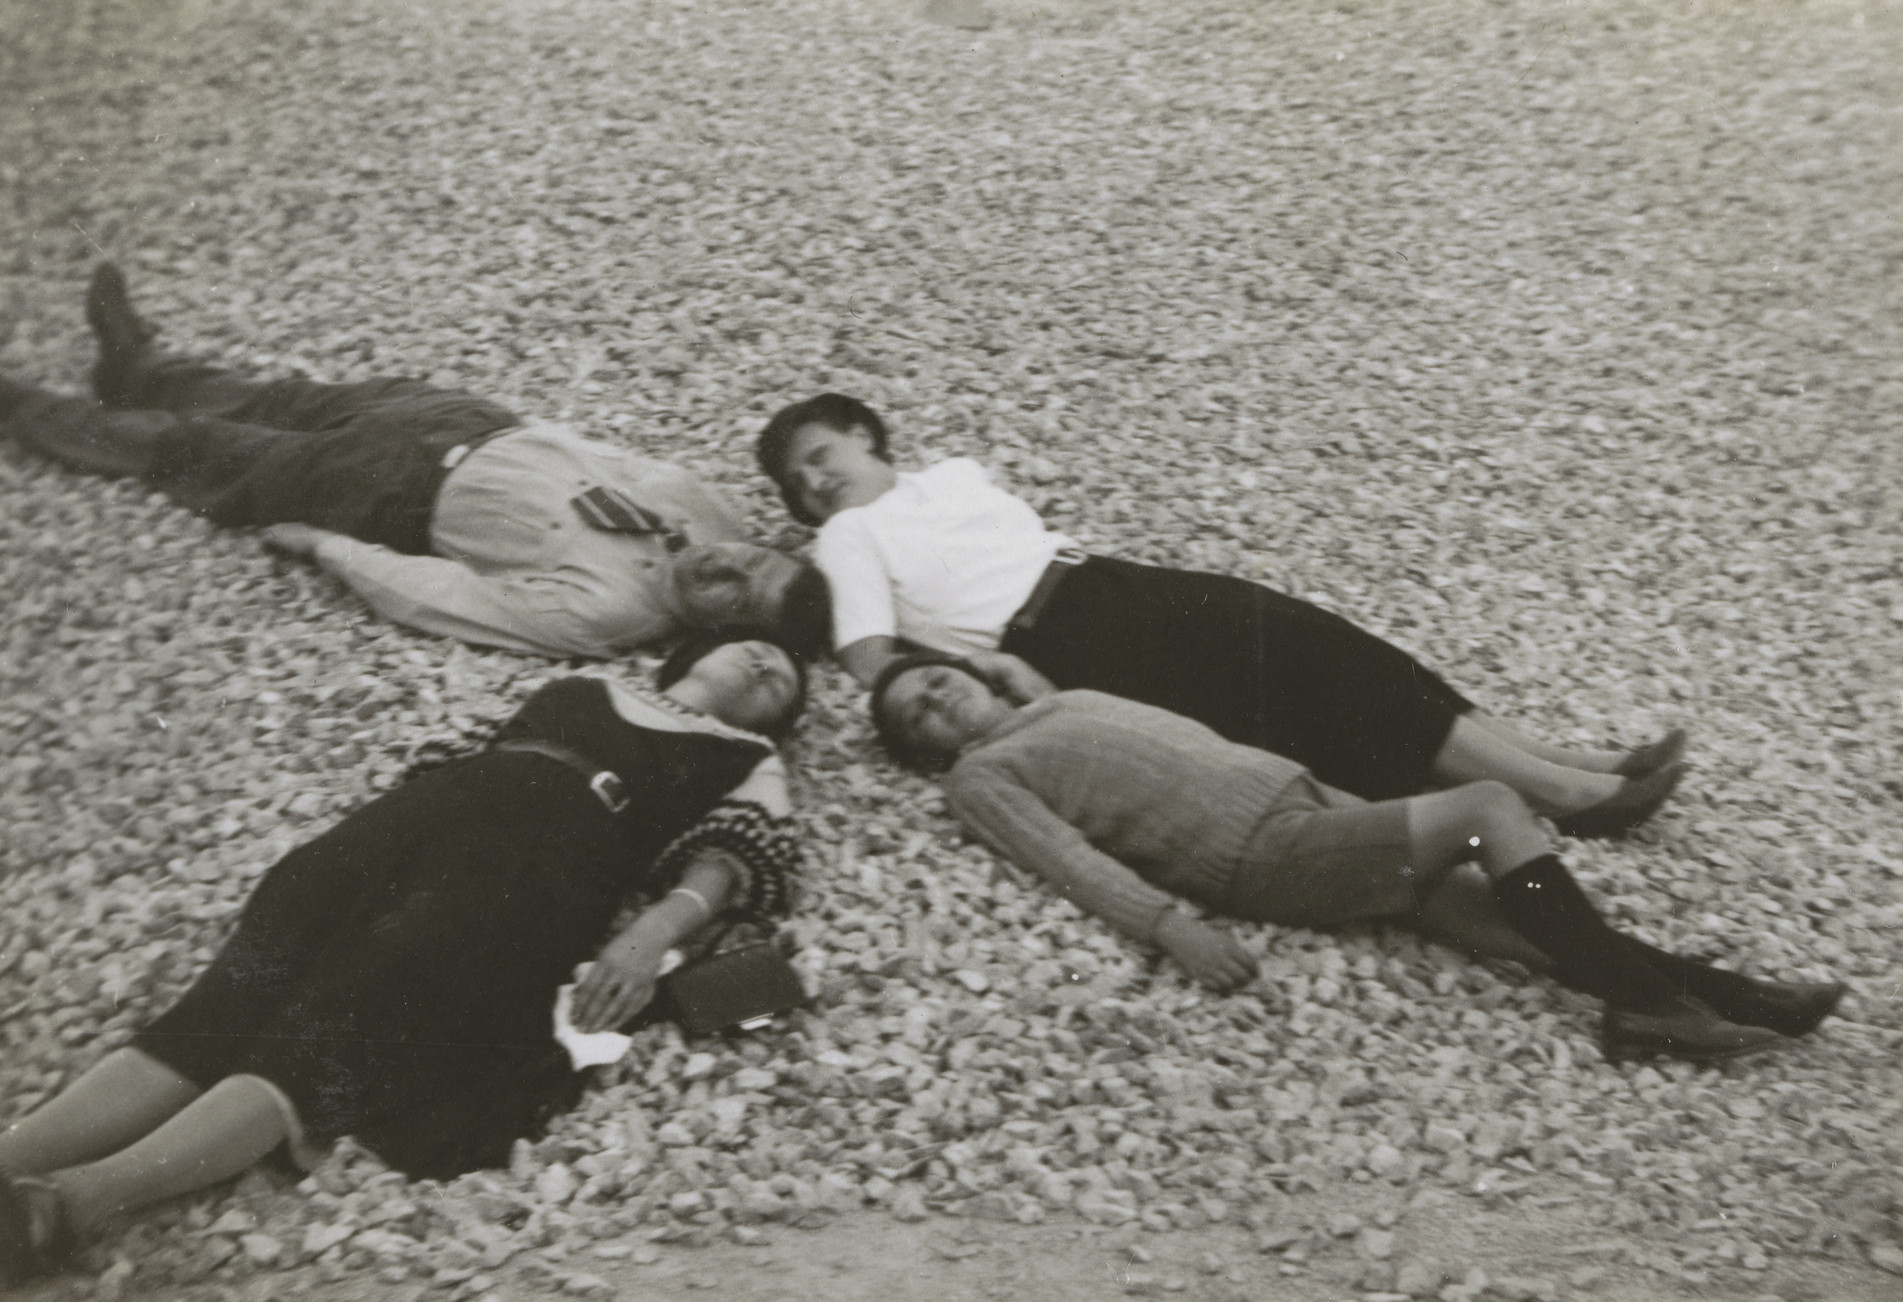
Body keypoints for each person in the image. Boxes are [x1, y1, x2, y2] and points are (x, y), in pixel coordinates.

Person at [0, 638, 808, 1284]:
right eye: (756, 646)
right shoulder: (592, 683)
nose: (766, 663)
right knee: (220, 1008)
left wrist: (653, 932)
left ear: (777, 721)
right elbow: (460, 751)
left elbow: (732, 857)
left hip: (548, 858)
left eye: (782, 681)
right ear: (696, 650)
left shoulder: (745, 754)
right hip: (418, 819)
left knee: (333, 1030)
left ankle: (73, 1204)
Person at [756, 394, 1685, 835]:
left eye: (820, 454)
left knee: (1329, 642)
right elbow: (869, 656)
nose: (814, 481)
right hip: (1059, 636)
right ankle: (1560, 798)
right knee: (1306, 696)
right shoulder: (846, 538)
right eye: (799, 481)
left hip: (1108, 581)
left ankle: (1565, 762)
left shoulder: (952, 475)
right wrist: (986, 680)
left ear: (865, 434)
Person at [869, 653, 1846, 1068]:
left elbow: (1114, 739)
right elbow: (1066, 860)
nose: (935, 700)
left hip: (1305, 809)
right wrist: (1170, 931)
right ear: (926, 753)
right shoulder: (982, 776)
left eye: (936, 679)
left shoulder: (1049, 705)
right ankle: (1642, 1010)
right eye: (917, 715)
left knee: (1524, 929)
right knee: (1490, 807)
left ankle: (1730, 998)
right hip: (1259, 855)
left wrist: (1012, 676)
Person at [0, 264, 830, 660]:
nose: (725, 564)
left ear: (718, 634)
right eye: (752, 560)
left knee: (196, 450)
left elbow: (448, 598)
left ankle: (25, 409)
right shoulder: (716, 520)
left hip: (386, 492)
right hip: (464, 422)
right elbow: (627, 463)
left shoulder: (609, 614)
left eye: (736, 594)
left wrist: (328, 547)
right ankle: (136, 366)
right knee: (272, 398)